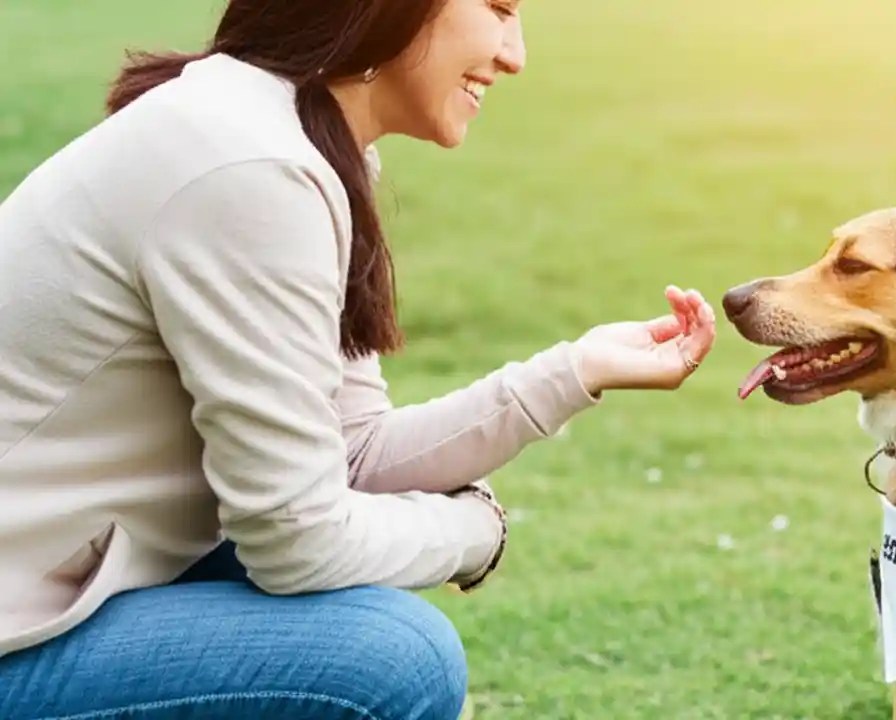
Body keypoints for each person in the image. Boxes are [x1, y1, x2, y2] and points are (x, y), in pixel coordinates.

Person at [0, 0, 717, 717]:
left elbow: (351, 454)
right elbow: (298, 542)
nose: (514, 54)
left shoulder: (284, 135)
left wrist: (575, 371)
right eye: (498, 8)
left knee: (364, 615)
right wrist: (471, 533)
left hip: (44, 581)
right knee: (392, 656)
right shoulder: (252, 168)